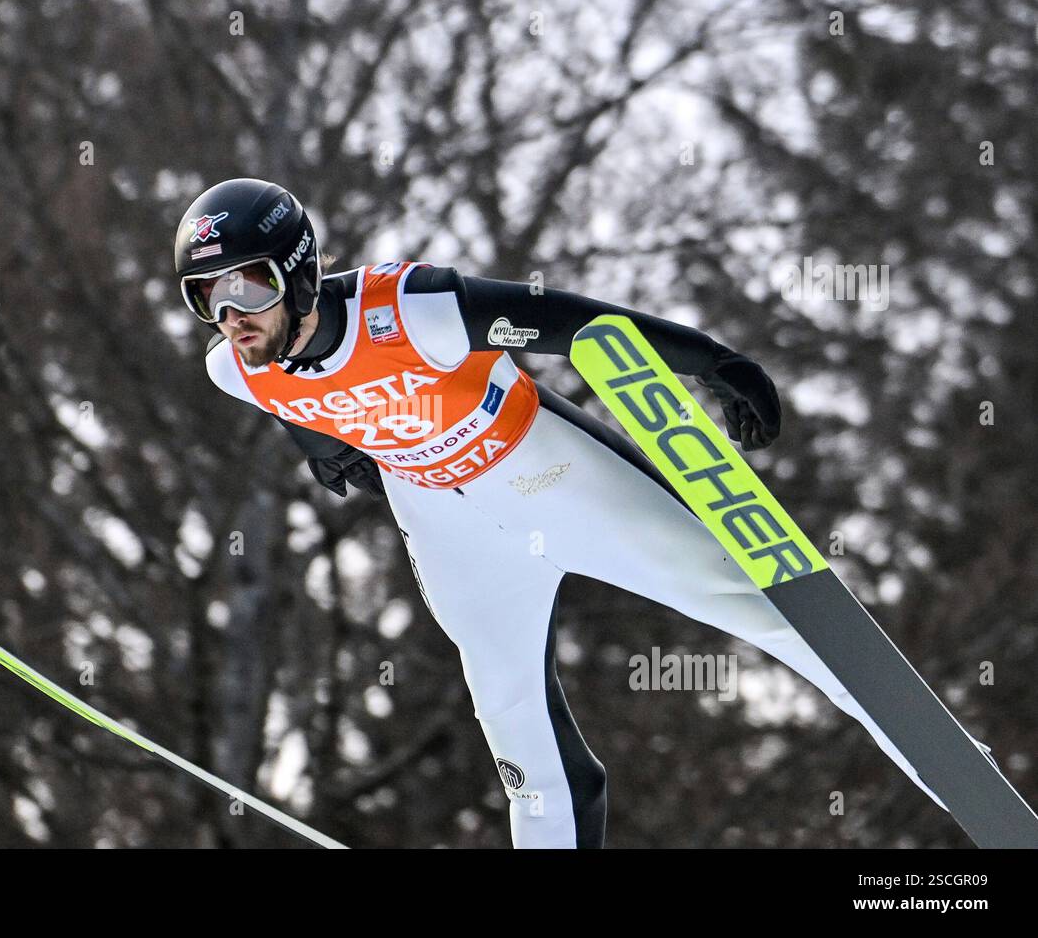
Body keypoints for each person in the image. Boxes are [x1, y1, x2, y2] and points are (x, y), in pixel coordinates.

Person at [175, 177, 945, 848]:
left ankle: (955, 765)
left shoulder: (412, 311)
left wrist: (714, 360)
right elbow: (303, 410)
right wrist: (332, 452)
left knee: (775, 613)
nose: (232, 315)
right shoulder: (236, 369)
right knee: (529, 766)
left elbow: (572, 324)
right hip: (453, 540)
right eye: (207, 295)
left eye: (249, 287)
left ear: (302, 272)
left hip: (554, 479)